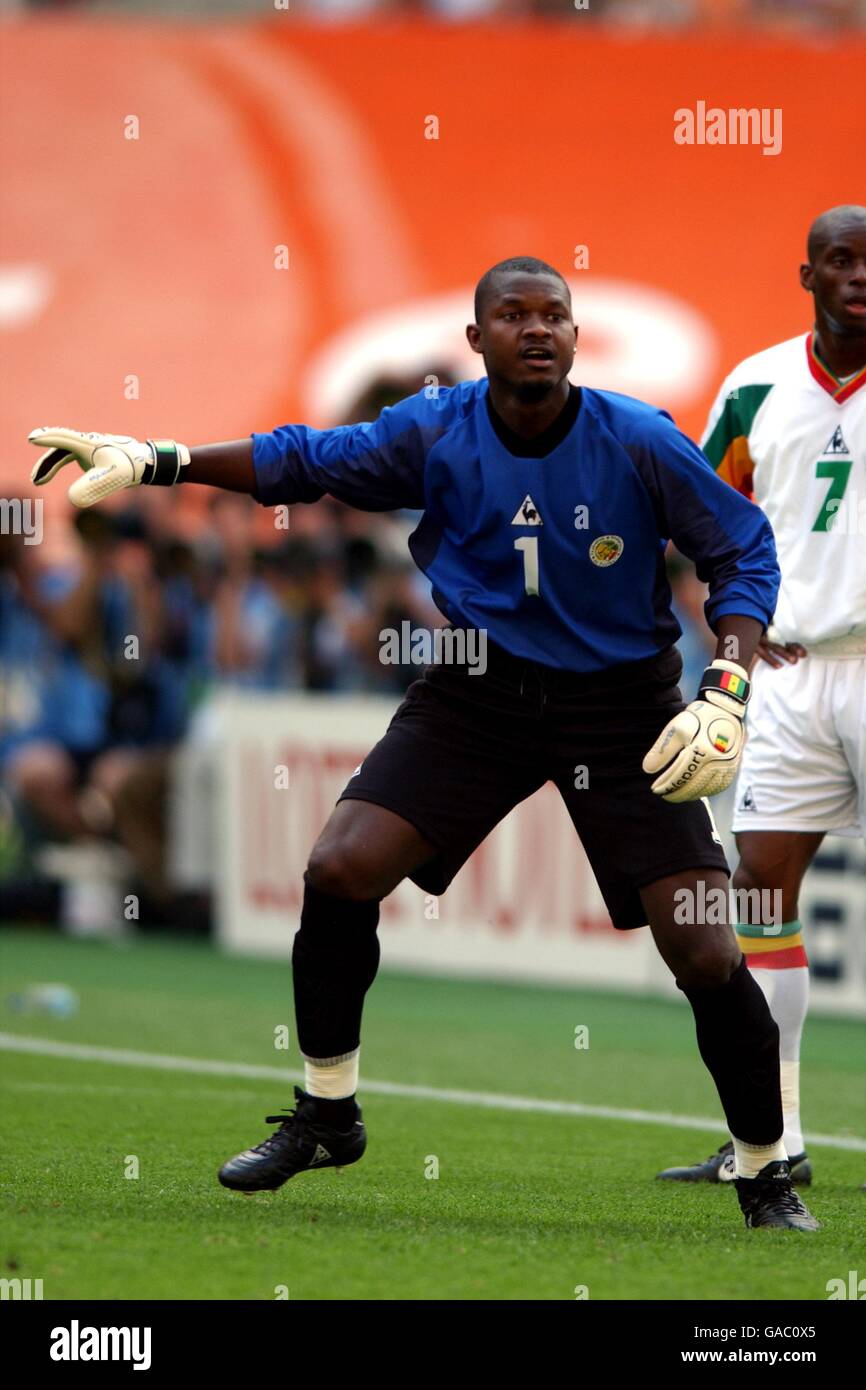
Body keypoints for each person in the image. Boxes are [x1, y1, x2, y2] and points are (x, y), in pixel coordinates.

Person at [28, 256, 818, 1230]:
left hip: (620, 709)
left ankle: (760, 1167)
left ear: (576, 337)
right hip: (478, 694)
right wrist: (162, 460)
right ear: (475, 340)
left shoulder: (638, 439)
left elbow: (741, 547)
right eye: (513, 315)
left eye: (555, 315)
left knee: (701, 946)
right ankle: (326, 1111)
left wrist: (725, 688)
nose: (538, 329)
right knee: (339, 865)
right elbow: (303, 459)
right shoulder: (436, 428)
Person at [658, 205, 866, 1189]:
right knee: (761, 889)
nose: (857, 275)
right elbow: (706, 511)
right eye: (839, 260)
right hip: (786, 675)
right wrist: (736, 633)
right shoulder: (752, 385)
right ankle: (772, 1139)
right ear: (806, 276)